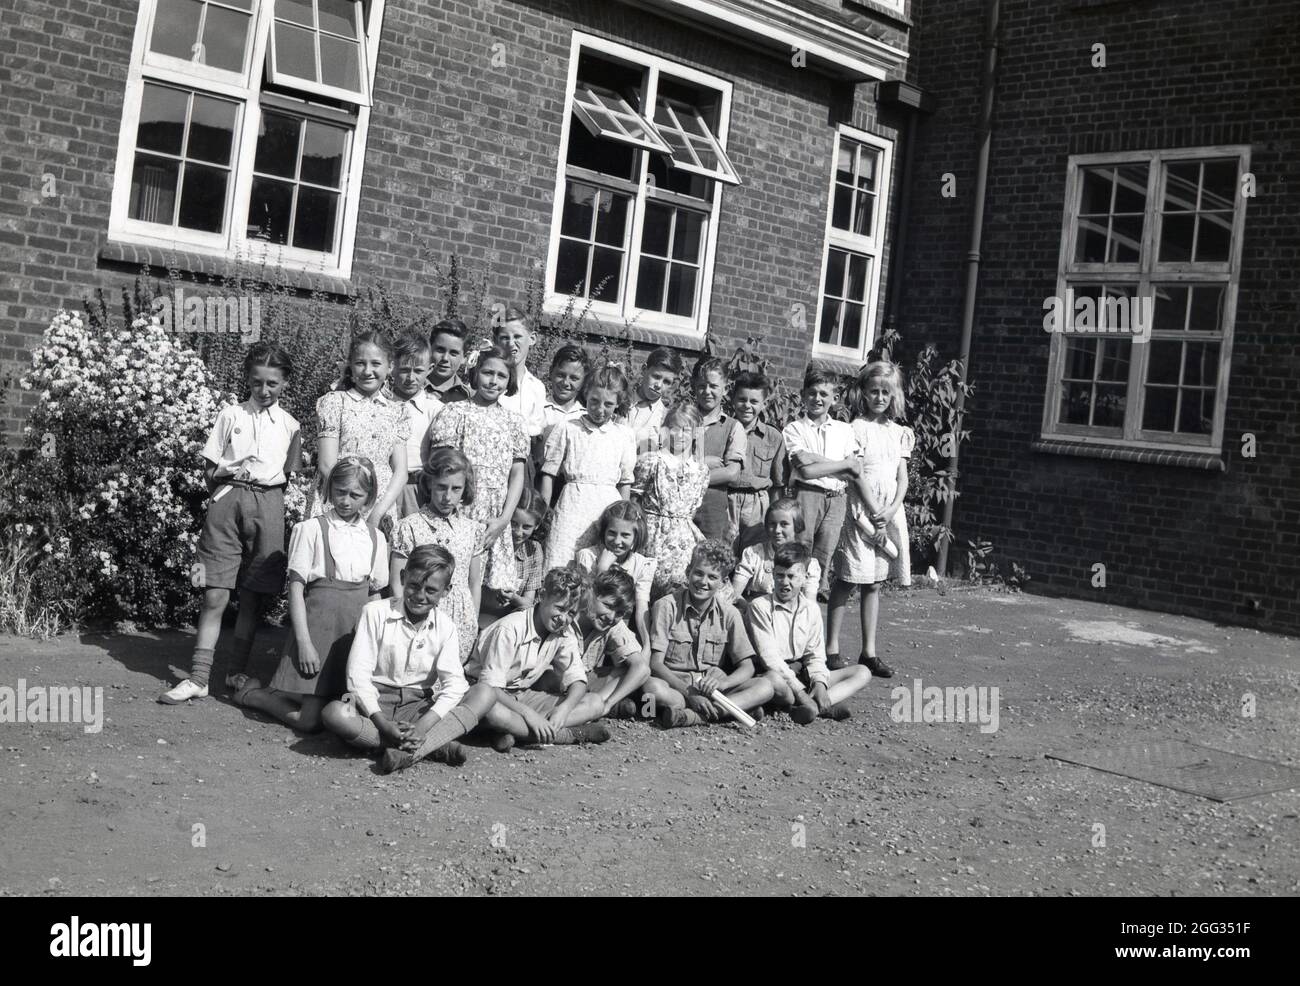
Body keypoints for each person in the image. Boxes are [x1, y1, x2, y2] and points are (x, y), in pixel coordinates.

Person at [159, 342, 301, 704]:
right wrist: (225, 497)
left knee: (253, 596)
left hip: (268, 504)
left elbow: (287, 473)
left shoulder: (290, 426)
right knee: (215, 592)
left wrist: (261, 500)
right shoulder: (230, 415)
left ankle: (236, 671)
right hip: (227, 500)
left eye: (272, 383)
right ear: (248, 381)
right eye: (257, 383)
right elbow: (210, 467)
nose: (264, 390)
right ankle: (199, 677)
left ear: (285, 383)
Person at [235, 457, 387, 729]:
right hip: (318, 633)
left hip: (353, 638)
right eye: (340, 491)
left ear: (369, 497)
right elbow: (296, 589)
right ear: (329, 489)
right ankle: (254, 695)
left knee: (349, 711)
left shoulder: (376, 537)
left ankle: (284, 693)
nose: (346, 500)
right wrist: (304, 643)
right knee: (309, 722)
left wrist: (376, 647)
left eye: (356, 495)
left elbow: (375, 596)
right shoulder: (311, 529)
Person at [321, 545, 499, 771]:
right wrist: (382, 723)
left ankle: (409, 748)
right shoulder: (374, 612)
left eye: (431, 590)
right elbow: (357, 676)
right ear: (403, 577)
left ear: (446, 591)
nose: (420, 596)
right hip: (373, 704)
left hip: (417, 707)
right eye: (414, 585)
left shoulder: (446, 627)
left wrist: (423, 726)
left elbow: (454, 684)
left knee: (484, 693)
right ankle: (432, 746)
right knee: (335, 713)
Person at [826, 361, 913, 678]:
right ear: (863, 393)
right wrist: (874, 512)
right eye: (873, 391)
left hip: (888, 511)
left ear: (894, 396)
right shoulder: (855, 429)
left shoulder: (898, 433)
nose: (879, 397)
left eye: (885, 393)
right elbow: (856, 474)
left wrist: (890, 510)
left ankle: (869, 652)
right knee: (849, 579)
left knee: (874, 582)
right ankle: (832, 649)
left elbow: (902, 477)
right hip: (862, 510)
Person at [465, 568, 612, 749]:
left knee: (595, 703)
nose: (563, 618)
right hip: (486, 694)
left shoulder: (564, 633)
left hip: (520, 694)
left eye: (571, 613)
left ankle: (512, 732)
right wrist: (528, 714)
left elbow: (578, 680)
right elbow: (491, 687)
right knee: (494, 713)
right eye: (560, 608)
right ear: (542, 596)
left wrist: (563, 710)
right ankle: (563, 735)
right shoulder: (510, 629)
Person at [425, 347, 528, 594]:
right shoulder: (455, 412)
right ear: (475, 373)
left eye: (501, 376)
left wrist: (504, 519)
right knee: (449, 579)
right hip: (459, 509)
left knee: (481, 588)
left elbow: (517, 474)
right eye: (487, 373)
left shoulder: (514, 422)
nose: (493, 381)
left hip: (494, 514)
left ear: (509, 380)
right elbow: (442, 465)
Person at [644, 539, 773, 729]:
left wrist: (724, 683)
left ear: (722, 582)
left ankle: (694, 716)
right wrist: (690, 693)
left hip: (716, 686)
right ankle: (732, 710)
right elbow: (655, 663)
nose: (703, 582)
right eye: (698, 573)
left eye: (712, 577)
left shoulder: (730, 613)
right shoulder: (666, 606)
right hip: (677, 684)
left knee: (765, 687)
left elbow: (747, 667)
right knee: (652, 690)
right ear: (688, 572)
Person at [747, 541, 870, 724]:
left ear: (804, 577)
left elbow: (815, 654)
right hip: (775, 672)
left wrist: (819, 682)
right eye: (780, 575)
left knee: (863, 672)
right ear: (772, 574)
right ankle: (808, 706)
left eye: (792, 576)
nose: (785, 582)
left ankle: (815, 705)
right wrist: (801, 692)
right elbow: (769, 657)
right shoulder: (760, 606)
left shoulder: (811, 609)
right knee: (774, 683)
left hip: (802, 672)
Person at [389, 447, 484, 661]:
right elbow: (397, 581)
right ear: (430, 483)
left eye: (456, 489)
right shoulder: (409, 526)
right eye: (442, 487)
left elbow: (474, 582)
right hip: (419, 612)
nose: (447, 497)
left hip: (462, 617)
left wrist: (473, 620)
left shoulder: (472, 529)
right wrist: (405, 619)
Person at [310, 331, 409, 530]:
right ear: (350, 366)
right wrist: (352, 502)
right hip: (339, 499)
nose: (367, 371)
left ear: (390, 367)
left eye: (375, 364)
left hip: (379, 504)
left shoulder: (397, 411)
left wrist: (378, 510)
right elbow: (326, 464)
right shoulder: (335, 402)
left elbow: (401, 471)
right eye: (360, 363)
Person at [539, 364, 636, 567]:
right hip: (572, 505)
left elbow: (625, 482)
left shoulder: (624, 435)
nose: (600, 409)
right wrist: (544, 510)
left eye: (608, 404)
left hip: (606, 510)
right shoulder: (568, 428)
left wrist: (624, 519)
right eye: (594, 401)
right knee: (561, 559)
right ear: (586, 395)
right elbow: (549, 472)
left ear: (618, 402)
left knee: (597, 565)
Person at [781, 367, 859, 599]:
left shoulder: (845, 430)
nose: (817, 399)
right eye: (812, 393)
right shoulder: (794, 429)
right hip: (806, 496)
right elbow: (805, 471)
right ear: (804, 395)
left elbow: (853, 473)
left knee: (824, 555)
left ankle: (811, 607)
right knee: (801, 549)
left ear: (835, 399)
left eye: (824, 394)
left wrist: (817, 460)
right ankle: (792, 599)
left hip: (836, 500)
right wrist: (842, 464)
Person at [633, 403, 710, 596]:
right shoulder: (652, 460)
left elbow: (692, 509)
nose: (680, 435)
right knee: (644, 588)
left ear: (695, 433)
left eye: (687, 430)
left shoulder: (700, 470)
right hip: (652, 534)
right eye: (674, 429)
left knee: (680, 589)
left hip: (683, 540)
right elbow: (635, 500)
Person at [573, 500, 655, 656]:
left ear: (636, 537)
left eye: (625, 535)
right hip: (592, 625)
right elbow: (585, 601)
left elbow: (642, 607)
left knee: (637, 662)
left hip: (619, 627)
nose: (617, 541)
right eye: (612, 533)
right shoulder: (588, 556)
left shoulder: (642, 564)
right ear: (604, 531)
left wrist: (646, 645)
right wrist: (601, 570)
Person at [577, 568, 650, 719]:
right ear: (592, 594)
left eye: (619, 613)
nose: (611, 616)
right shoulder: (569, 613)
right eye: (608, 606)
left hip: (583, 681)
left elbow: (642, 668)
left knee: (629, 670)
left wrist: (608, 703)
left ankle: (601, 707)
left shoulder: (613, 624)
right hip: (553, 682)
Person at [727, 370, 786, 550]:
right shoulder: (724, 429)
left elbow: (778, 484)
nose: (747, 406)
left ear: (764, 404)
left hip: (758, 504)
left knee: (753, 555)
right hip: (726, 499)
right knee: (724, 552)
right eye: (742, 399)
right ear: (732, 399)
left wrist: (774, 515)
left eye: (754, 401)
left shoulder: (773, 437)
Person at [728, 497, 821, 610]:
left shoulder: (808, 562)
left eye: (784, 524)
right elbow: (735, 594)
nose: (777, 530)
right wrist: (755, 611)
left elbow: (810, 604)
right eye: (772, 524)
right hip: (754, 614)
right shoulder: (754, 554)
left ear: (797, 526)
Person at [690, 357, 746, 541]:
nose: (707, 391)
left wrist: (687, 472)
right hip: (679, 508)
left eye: (713, 386)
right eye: (701, 385)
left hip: (712, 513)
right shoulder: (681, 420)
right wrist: (705, 463)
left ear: (725, 389)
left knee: (709, 562)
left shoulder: (732, 427)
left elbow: (731, 474)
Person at [388, 330, 440, 517]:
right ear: (392, 367)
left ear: (430, 369)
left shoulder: (435, 409)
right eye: (404, 370)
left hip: (417, 489)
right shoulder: (381, 404)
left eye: (418, 371)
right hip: (383, 486)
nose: (411, 378)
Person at [481, 486, 548, 620]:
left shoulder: (534, 551)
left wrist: (513, 597)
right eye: (513, 523)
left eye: (526, 527)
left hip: (510, 620)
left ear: (537, 525)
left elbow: (528, 603)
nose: (518, 532)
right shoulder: (490, 542)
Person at [493, 305, 547, 439]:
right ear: (495, 341)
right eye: (505, 337)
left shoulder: (537, 388)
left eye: (517, 336)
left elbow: (535, 432)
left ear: (532, 339)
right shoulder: (489, 382)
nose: (511, 343)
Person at [537, 343, 589, 473]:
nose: (565, 383)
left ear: (584, 381)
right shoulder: (539, 409)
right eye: (561, 375)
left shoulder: (586, 416)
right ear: (551, 372)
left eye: (574, 378)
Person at [625, 346, 681, 454]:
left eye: (666, 382)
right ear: (644, 370)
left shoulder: (665, 418)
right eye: (656, 376)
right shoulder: (621, 400)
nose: (659, 385)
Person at [426, 318, 472, 404]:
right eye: (440, 350)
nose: (445, 358)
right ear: (429, 349)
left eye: (453, 353)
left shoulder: (468, 398)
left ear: (464, 358)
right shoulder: (412, 387)